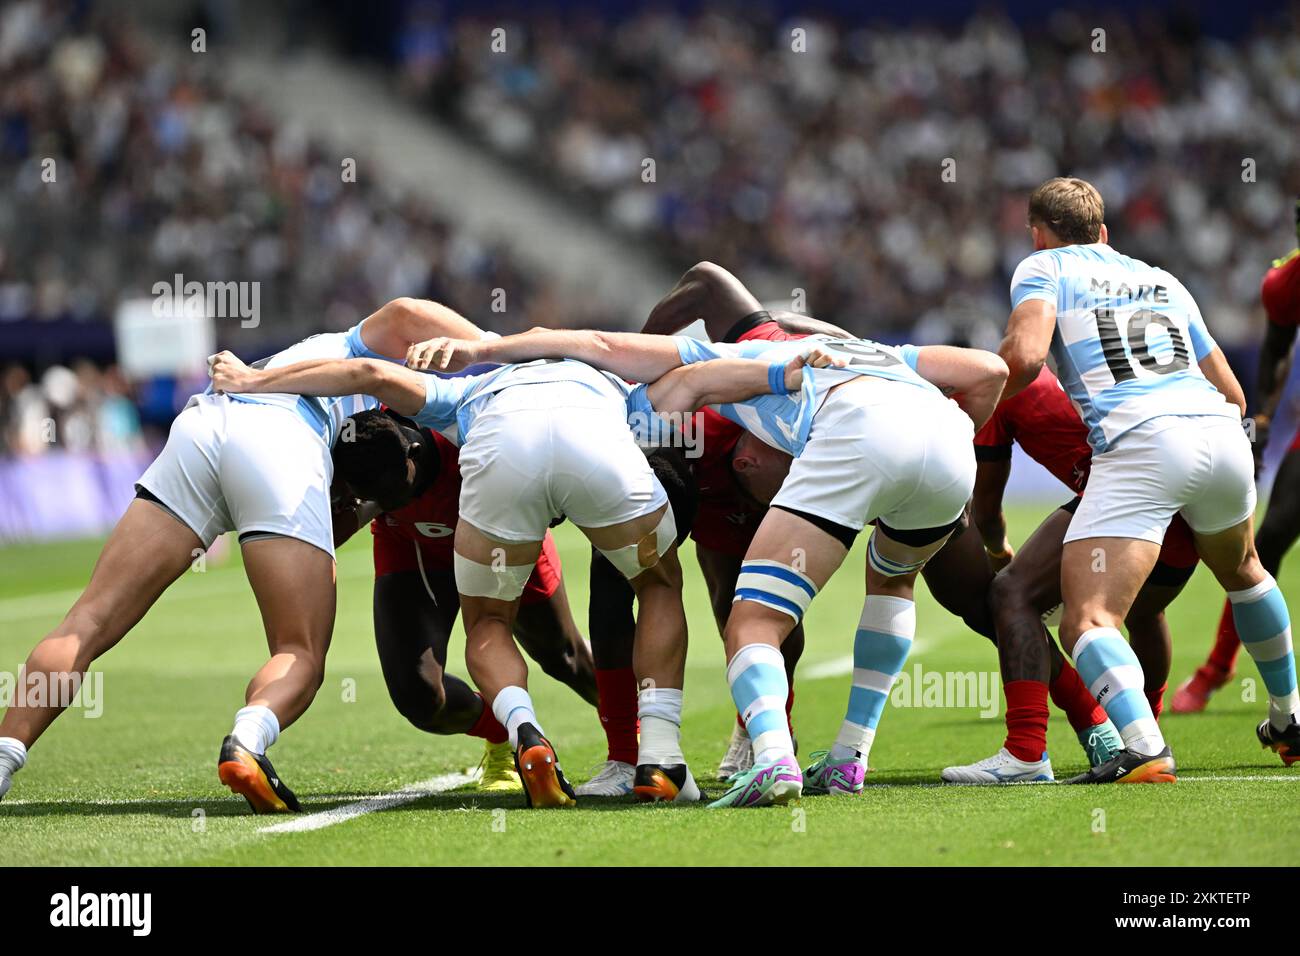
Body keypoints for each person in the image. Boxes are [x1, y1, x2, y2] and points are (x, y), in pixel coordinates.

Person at [403, 320, 1008, 807]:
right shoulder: (877, 349)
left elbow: (600, 344)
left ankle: (773, 759)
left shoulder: (727, 354)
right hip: (947, 443)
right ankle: (850, 756)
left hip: (858, 431)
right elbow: (991, 369)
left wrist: (483, 347)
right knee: (895, 577)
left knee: (753, 623)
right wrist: (940, 444)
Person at [209, 344, 824, 806]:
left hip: (501, 461)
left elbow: (368, 373)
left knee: (489, 626)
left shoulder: (471, 391)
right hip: (591, 444)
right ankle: (659, 759)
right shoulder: (608, 378)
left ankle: (526, 728)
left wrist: (255, 379)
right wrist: (784, 370)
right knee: (657, 586)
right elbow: (697, 378)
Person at [0, 297, 482, 811]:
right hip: (282, 444)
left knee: (87, 620)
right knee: (299, 652)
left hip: (207, 423)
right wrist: (494, 351)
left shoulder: (316, 349)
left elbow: (402, 318)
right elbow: (407, 312)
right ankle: (247, 741)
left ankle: (6, 754)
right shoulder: (373, 364)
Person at [997, 176, 1296, 784]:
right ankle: (1290, 718)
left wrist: (977, 390)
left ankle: (1141, 747)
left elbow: (1026, 358)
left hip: (1143, 443)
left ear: (1038, 233)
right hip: (1219, 432)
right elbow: (1233, 391)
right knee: (1245, 573)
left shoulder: (1043, 267)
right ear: (1104, 233)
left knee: (1088, 618)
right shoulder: (1164, 279)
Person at [941, 366, 1203, 783]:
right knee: (1147, 611)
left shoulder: (997, 388)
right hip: (1190, 490)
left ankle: (1026, 751)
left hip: (1126, 497)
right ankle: (1144, 734)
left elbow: (986, 505)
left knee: (1012, 594)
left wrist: (997, 549)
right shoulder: (1088, 367)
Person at [329, 407, 598, 792]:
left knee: (565, 658)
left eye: (391, 494)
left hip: (502, 540)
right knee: (420, 696)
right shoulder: (359, 452)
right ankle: (510, 734)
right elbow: (350, 517)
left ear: (415, 453)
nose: (383, 502)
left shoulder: (473, 437)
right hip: (414, 547)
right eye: (372, 497)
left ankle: (638, 740)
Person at [1172, 202, 1300, 741]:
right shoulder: (1285, 282)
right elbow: (1275, 351)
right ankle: (1218, 667)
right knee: (1265, 538)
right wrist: (1264, 418)